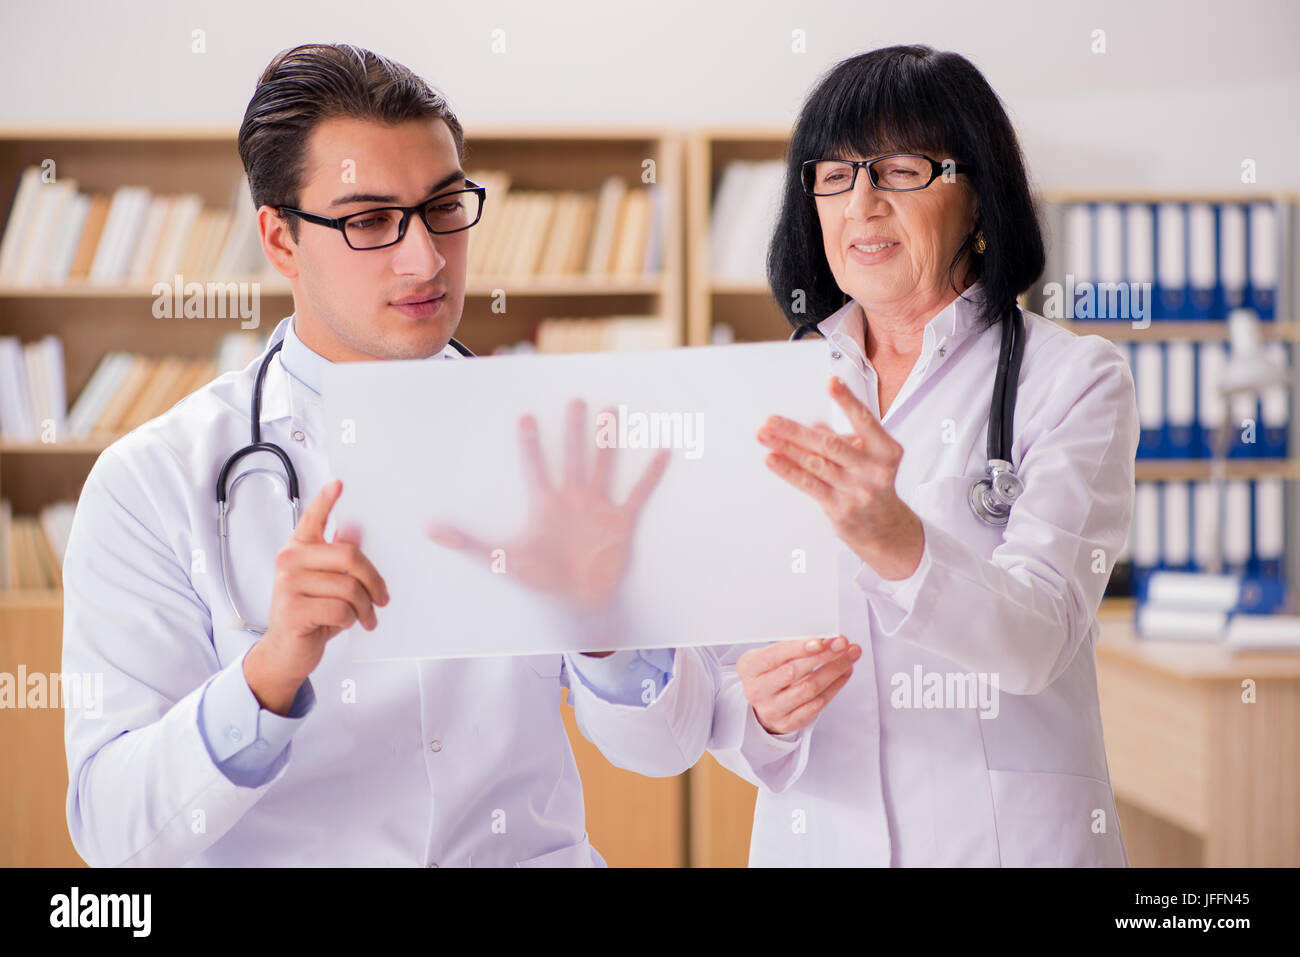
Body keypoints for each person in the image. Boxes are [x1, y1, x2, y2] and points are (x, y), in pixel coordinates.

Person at [61, 42, 712, 867]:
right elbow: (114, 832)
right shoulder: (149, 482)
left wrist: (603, 629)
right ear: (281, 240)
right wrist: (268, 673)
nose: (427, 258)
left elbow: (667, 747)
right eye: (370, 220)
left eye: (444, 206)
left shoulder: (558, 446)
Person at [703, 45, 1138, 866]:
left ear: (979, 197)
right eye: (834, 175)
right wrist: (755, 712)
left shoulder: (1073, 381)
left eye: (900, 170)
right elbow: (724, 674)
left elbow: (1041, 635)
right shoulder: (768, 392)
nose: (860, 202)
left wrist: (898, 543)